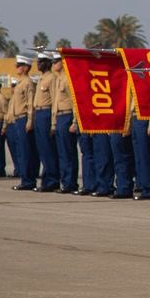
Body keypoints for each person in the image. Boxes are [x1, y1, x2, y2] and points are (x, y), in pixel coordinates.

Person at [50, 53, 80, 193]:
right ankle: (65, 181)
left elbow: (75, 101)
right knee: (62, 153)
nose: (53, 64)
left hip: (68, 115)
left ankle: (70, 183)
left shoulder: (68, 78)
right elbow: (56, 102)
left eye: (55, 61)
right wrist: (54, 123)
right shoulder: (58, 79)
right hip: (60, 116)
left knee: (68, 152)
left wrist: (74, 121)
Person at [32, 52, 61, 192]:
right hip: (39, 113)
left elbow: (55, 100)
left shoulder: (52, 78)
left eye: (41, 61)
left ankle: (52, 180)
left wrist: (53, 122)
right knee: (42, 149)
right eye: (38, 61)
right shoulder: (41, 78)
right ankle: (46, 179)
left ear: (48, 63)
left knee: (49, 149)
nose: (38, 64)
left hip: (46, 113)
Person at [9, 56, 38, 191]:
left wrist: (30, 121)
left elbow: (31, 103)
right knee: (21, 151)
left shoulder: (28, 83)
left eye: (20, 65)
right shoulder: (20, 83)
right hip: (17, 119)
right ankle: (25, 178)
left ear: (26, 67)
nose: (17, 68)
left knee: (26, 151)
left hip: (24, 118)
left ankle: (28, 180)